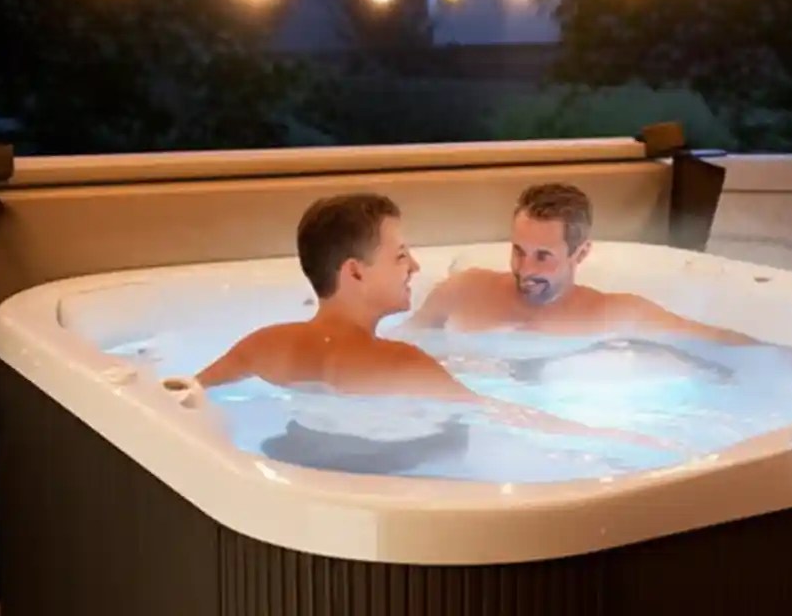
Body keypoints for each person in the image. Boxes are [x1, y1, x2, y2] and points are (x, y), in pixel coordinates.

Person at [165, 192, 672, 448]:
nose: (415, 266)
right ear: (355, 272)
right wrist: (630, 442)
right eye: (400, 255)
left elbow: (179, 396)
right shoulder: (403, 366)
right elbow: (507, 417)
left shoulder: (260, 346)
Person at [404, 183, 759, 345]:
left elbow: (718, 341)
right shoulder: (462, 291)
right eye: (518, 250)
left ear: (581, 253)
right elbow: (399, 346)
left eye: (543, 256)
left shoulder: (615, 314)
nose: (525, 269)